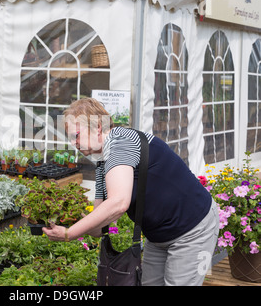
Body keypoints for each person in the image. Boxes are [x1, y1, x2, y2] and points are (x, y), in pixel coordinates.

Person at [43, 98, 219, 286]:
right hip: (159, 236)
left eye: (76, 135)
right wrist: (70, 219)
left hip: (192, 229)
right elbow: (100, 227)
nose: (73, 143)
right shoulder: (103, 163)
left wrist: (70, 233)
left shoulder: (120, 142)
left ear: (98, 128)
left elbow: (119, 203)